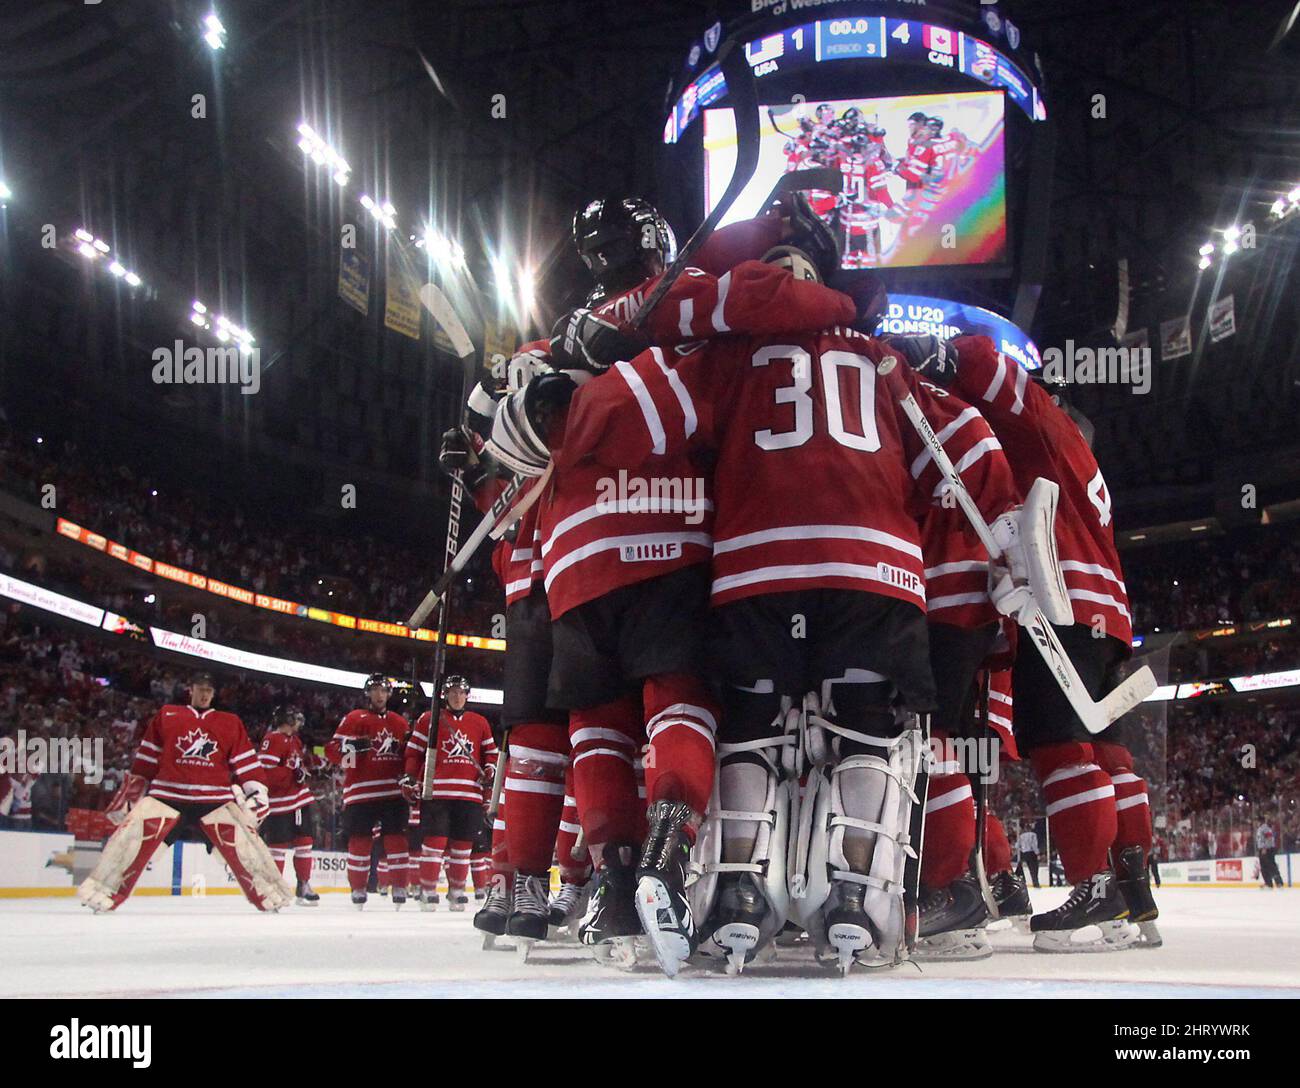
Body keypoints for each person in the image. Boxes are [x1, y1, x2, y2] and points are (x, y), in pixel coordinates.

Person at [501, 244, 1023, 975]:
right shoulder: (878, 355)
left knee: (751, 733)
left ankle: (739, 892)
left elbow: (640, 415)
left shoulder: (727, 354)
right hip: (875, 568)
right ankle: (855, 898)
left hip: (754, 570)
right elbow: (964, 441)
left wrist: (573, 394)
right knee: (864, 733)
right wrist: (1008, 535)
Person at [889, 334, 1158, 952]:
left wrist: (948, 353)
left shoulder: (1047, 425)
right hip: (1108, 611)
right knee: (1107, 750)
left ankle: (1094, 889)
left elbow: (1005, 382)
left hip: (1059, 594)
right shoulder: (1086, 462)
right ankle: (1133, 890)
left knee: (1060, 744)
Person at [78, 672, 290, 913]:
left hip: (214, 798)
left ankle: (271, 893)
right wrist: (131, 793)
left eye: (209, 690)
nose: (204, 694)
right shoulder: (168, 715)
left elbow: (246, 764)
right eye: (200, 688)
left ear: (214, 694)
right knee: (130, 840)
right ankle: (101, 889)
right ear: (191, 689)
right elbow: (146, 760)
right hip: (167, 795)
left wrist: (257, 793)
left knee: (247, 845)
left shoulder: (230, 722)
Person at [401, 675, 497, 912]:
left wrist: (489, 769)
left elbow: (491, 754)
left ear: (467, 695)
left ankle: (456, 890)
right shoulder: (429, 719)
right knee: (435, 842)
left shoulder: (480, 722)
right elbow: (413, 752)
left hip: (470, 794)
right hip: (437, 791)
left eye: (461, 692)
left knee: (463, 846)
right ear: (445, 695)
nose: (457, 696)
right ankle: (429, 889)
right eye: (452, 692)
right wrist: (411, 777)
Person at [326, 674, 411, 909]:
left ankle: (400, 886)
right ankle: (358, 888)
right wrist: (350, 748)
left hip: (393, 793)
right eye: (375, 690)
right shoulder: (354, 718)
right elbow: (332, 751)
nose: (379, 695)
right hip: (360, 793)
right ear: (368, 693)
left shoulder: (399, 722)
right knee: (359, 842)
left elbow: (409, 756)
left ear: (389, 694)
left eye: (383, 690)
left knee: (397, 841)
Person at [258, 705, 319, 905]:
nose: (298, 723)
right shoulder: (272, 739)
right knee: (278, 847)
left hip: (299, 800)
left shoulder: (295, 740)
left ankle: (304, 884)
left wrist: (308, 768)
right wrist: (292, 774)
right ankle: (275, 888)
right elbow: (267, 772)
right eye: (295, 718)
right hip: (279, 804)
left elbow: (296, 765)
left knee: (305, 842)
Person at [1257, 821, 1285, 888]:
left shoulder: (1265, 828)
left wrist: (1265, 847)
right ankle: (1268, 883)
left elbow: (1269, 838)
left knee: (1271, 866)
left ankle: (1279, 882)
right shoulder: (1260, 829)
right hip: (1262, 849)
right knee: (1264, 867)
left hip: (1267, 850)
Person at [1016, 823, 1041, 889]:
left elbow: (1017, 845)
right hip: (1031, 853)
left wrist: (1022, 849)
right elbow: (1034, 845)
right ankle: (1036, 883)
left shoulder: (1021, 836)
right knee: (1034, 869)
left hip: (1024, 854)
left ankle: (1024, 883)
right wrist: (1037, 853)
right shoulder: (1033, 835)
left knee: (1026, 869)